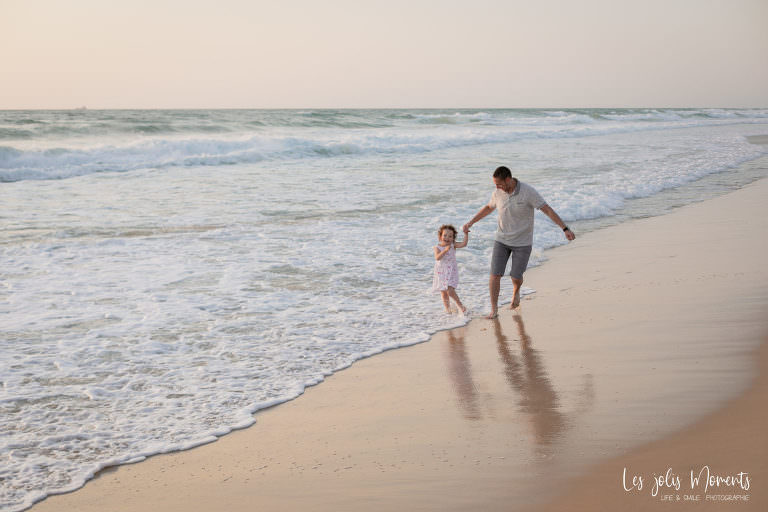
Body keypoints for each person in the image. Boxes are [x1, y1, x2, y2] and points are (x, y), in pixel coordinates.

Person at [463, 166, 575, 319]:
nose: (496, 187)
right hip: (501, 239)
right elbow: (489, 207)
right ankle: (494, 310)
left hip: (522, 242)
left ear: (508, 180)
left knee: (515, 276)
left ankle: (516, 292)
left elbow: (546, 209)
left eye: (499, 184)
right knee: (495, 274)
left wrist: (565, 228)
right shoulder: (497, 192)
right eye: (495, 184)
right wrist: (471, 222)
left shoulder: (528, 192)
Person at [432, 224, 469, 314]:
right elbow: (437, 258)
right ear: (440, 236)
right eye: (445, 235)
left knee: (450, 291)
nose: (447, 238)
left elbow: (464, 244)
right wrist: (444, 250)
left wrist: (466, 234)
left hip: (451, 271)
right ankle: (448, 310)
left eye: (450, 236)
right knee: (443, 292)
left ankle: (461, 306)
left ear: (453, 238)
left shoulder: (453, 245)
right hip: (441, 272)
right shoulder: (437, 247)